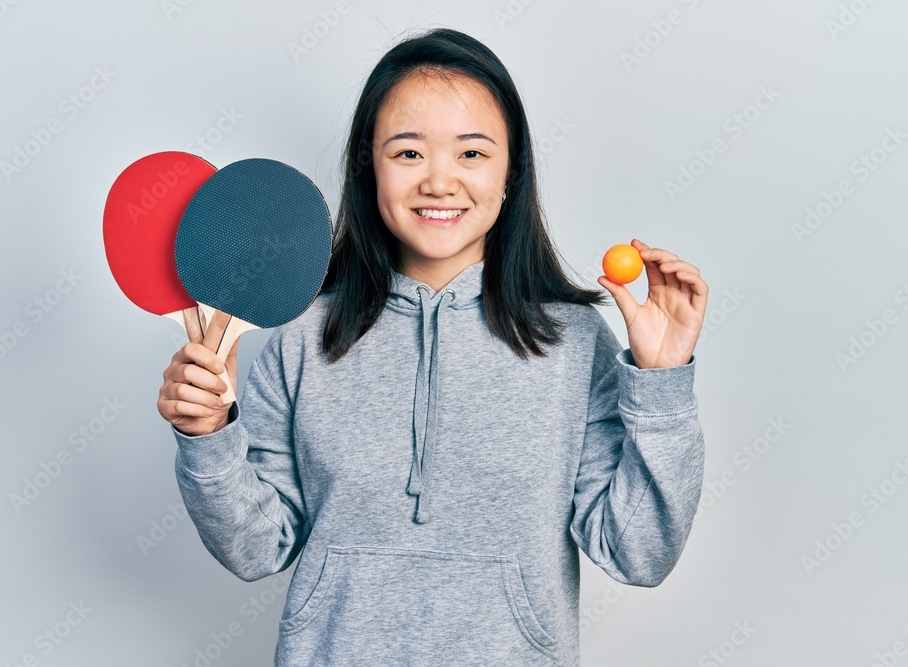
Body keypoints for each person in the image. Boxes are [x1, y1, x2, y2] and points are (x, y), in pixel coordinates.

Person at [158, 27, 707, 667]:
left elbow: (637, 553)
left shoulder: (574, 343)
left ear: (512, 171)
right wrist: (209, 438)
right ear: (368, 168)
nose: (440, 182)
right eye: (409, 153)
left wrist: (662, 384)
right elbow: (256, 548)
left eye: (472, 153)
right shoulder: (303, 336)